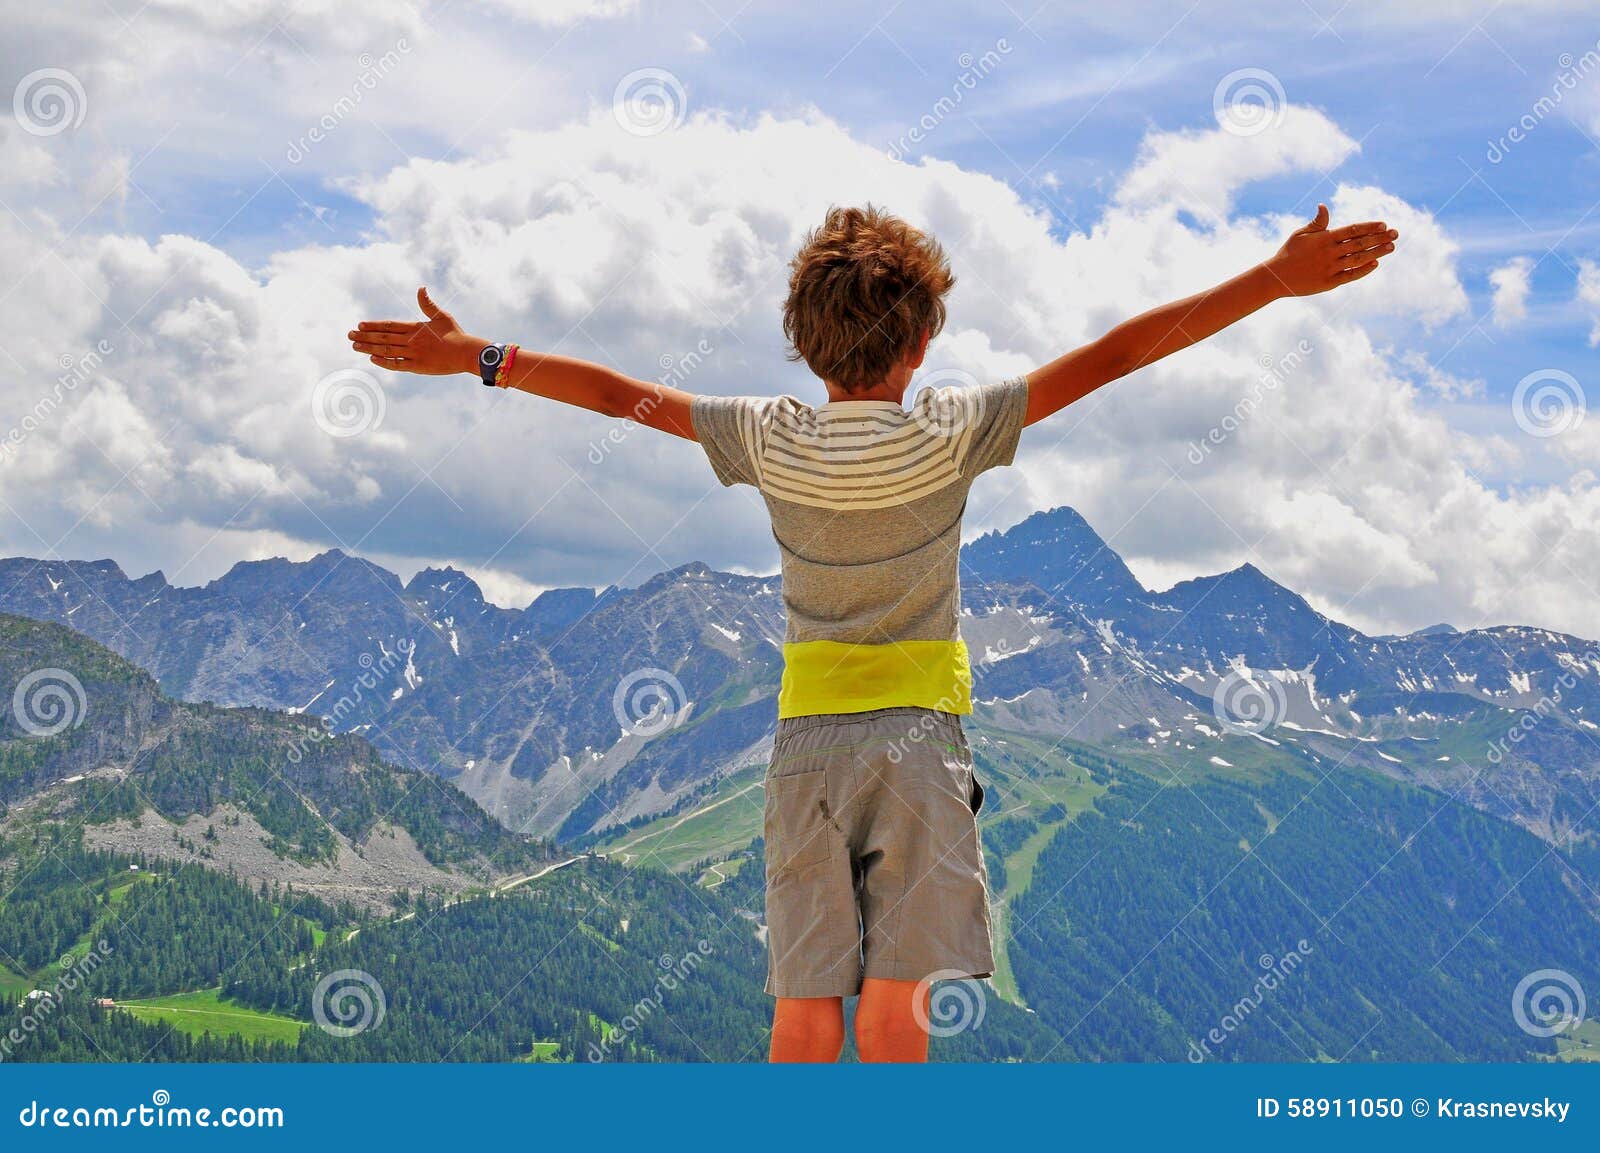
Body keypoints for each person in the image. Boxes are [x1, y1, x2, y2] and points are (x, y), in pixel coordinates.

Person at [348, 201, 1397, 1063]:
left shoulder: (765, 436)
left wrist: (479, 356)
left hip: (805, 748)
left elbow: (619, 396)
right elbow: (1120, 354)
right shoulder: (952, 433)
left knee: (803, 1011)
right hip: (921, 749)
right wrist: (1270, 277)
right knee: (896, 1011)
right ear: (927, 341)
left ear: (802, 345)